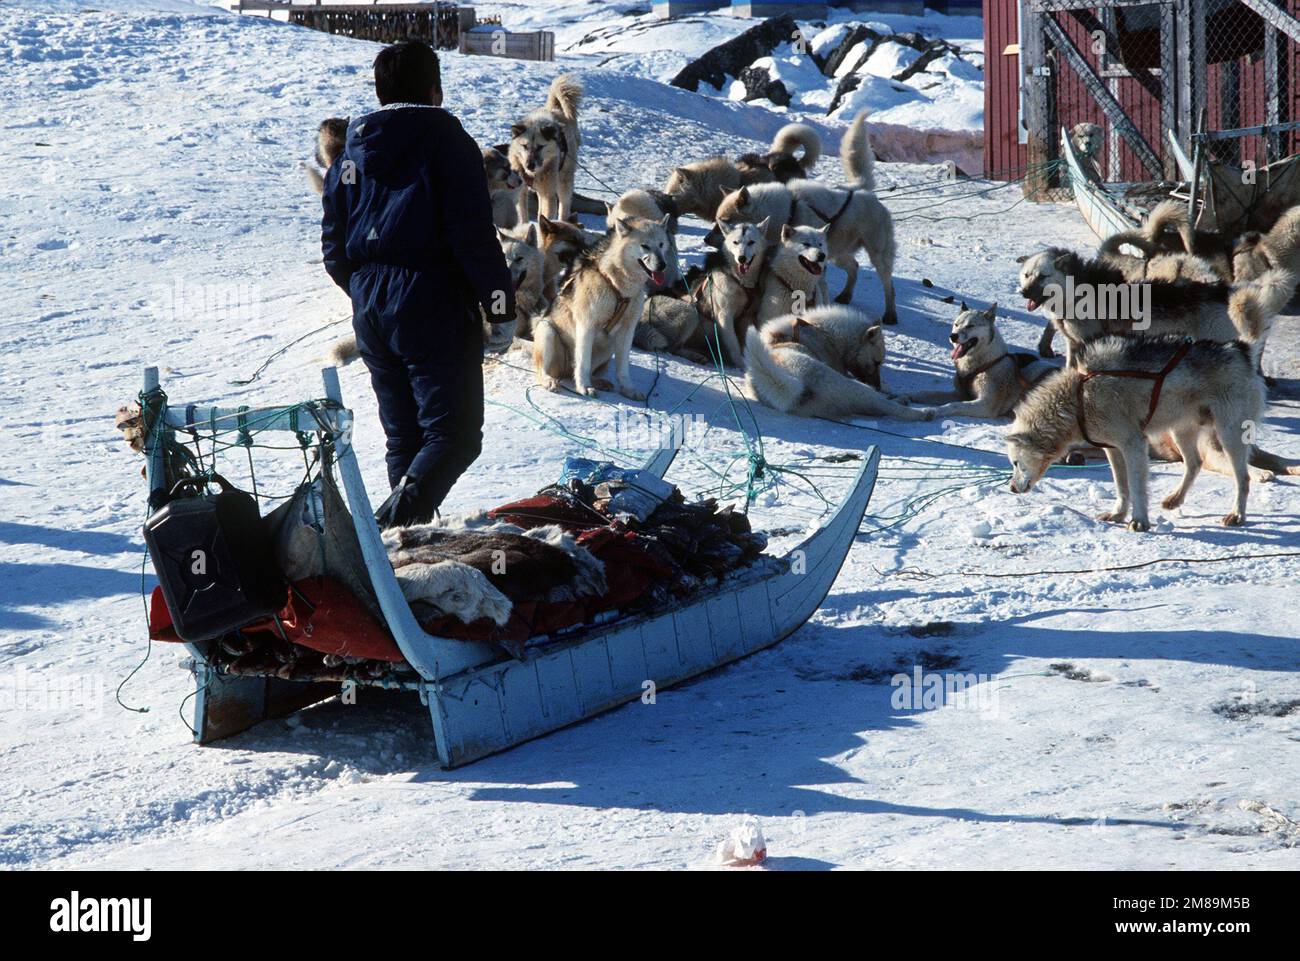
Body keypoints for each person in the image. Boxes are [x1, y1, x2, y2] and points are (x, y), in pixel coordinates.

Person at [321, 40, 514, 528]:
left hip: (370, 306)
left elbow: (333, 247)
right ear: (435, 89)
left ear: (381, 91)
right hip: (433, 299)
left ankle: (403, 550)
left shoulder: (349, 156)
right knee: (454, 434)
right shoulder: (449, 142)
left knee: (406, 438)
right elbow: (473, 235)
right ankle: (384, 534)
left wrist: (370, 293)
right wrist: (499, 308)